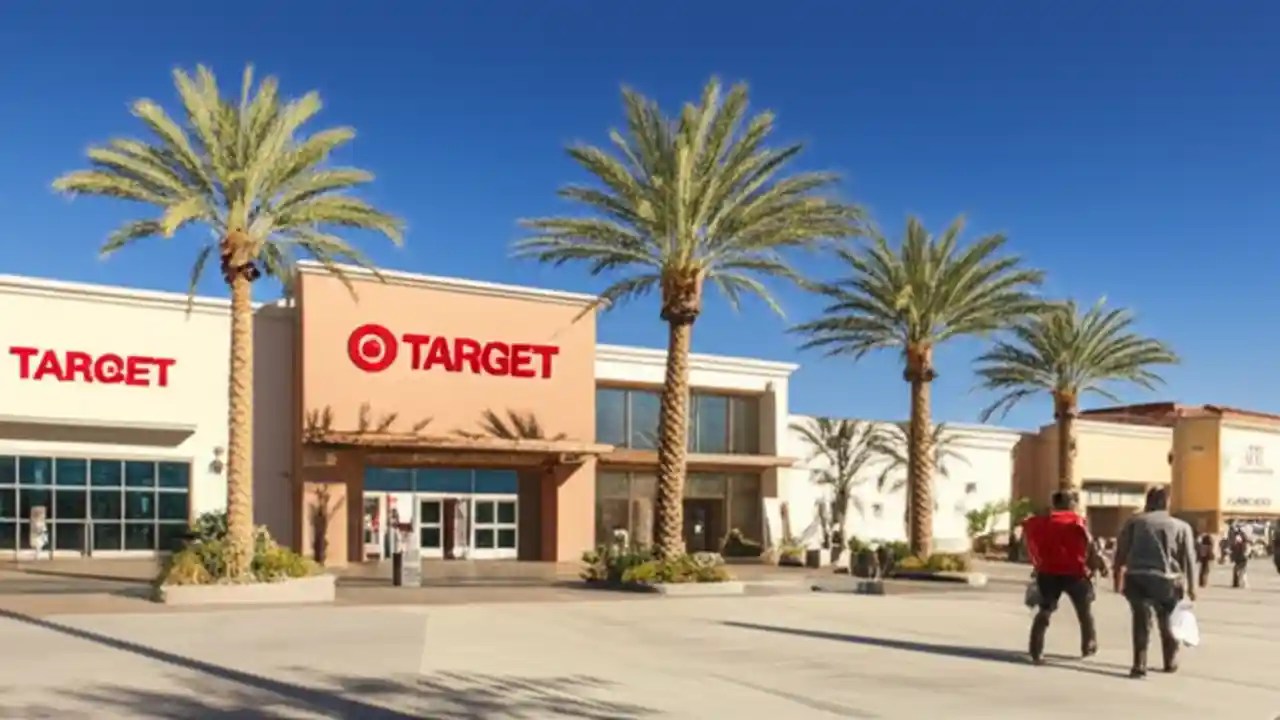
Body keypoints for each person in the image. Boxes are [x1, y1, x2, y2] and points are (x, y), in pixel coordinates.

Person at [1113, 487, 1197, 678]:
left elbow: (1121, 552)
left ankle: (1139, 664)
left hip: (1137, 577)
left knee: (1141, 621)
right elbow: (1189, 558)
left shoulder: (1134, 522)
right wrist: (1192, 586)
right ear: (1167, 502)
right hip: (1167, 581)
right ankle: (1170, 661)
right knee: (1167, 621)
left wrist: (1117, 577)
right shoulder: (1182, 527)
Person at [1021, 490, 1097, 665]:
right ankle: (1088, 644)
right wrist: (1093, 566)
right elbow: (1089, 544)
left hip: (1048, 571)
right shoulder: (1078, 521)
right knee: (1084, 611)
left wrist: (1037, 561)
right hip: (1074, 572)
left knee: (1045, 610)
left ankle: (1036, 649)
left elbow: (1027, 531)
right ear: (1070, 505)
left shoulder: (1041, 522)